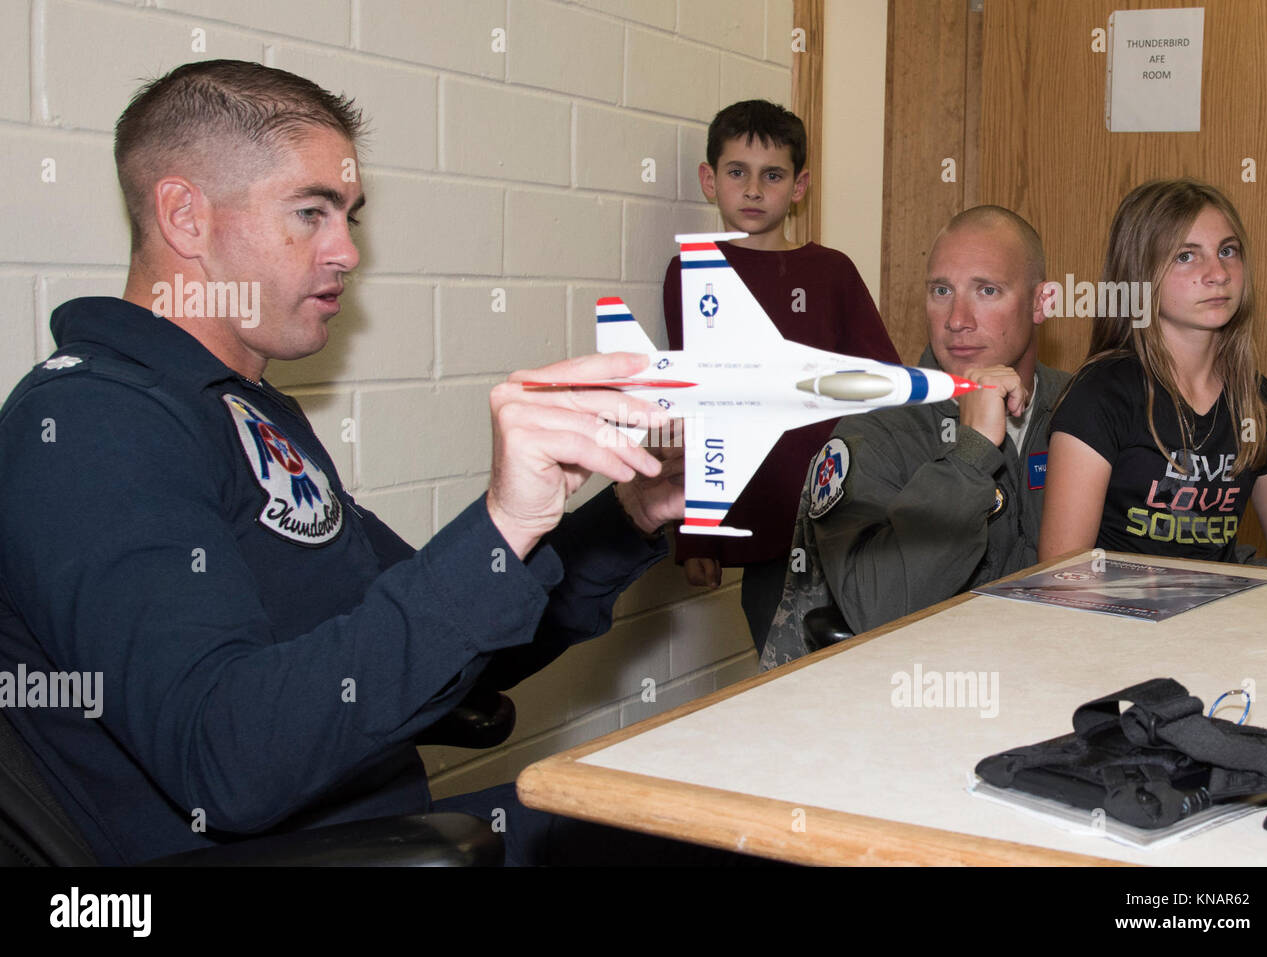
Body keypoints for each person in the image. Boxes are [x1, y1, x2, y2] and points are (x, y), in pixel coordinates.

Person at [0, 59, 691, 866]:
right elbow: (227, 759)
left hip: (377, 833)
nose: (346, 252)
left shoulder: (247, 409)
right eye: (311, 212)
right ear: (186, 216)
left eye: (350, 217)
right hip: (311, 856)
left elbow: (460, 638)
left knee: (705, 807)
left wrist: (629, 513)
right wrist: (500, 526)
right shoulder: (88, 424)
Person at [761, 206, 1069, 669]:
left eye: (987, 290)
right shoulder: (878, 428)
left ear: (1043, 301)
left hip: (1056, 682)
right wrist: (971, 455)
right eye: (941, 291)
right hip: (915, 697)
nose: (957, 319)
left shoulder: (1079, 408)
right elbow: (875, 611)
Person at [662, 99, 899, 656]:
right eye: (736, 172)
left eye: (772, 175)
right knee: (785, 668)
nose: (752, 190)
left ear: (799, 186)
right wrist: (696, 531)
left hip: (841, 512)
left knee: (861, 657)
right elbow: (695, 402)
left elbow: (881, 385)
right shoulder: (692, 271)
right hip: (757, 514)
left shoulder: (832, 271)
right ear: (709, 179)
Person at [1039, 179, 1267, 565]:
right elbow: (1062, 575)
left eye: (1228, 251)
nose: (1218, 273)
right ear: (1138, 276)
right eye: (1186, 256)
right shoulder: (1100, 395)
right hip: (1118, 619)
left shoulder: (1259, 404)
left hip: (1222, 619)